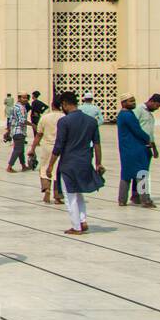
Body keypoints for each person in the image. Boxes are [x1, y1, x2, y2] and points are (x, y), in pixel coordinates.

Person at [45, 91, 105, 236]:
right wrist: (98, 163)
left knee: (70, 196)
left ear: (65, 104)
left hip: (69, 163)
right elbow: (97, 144)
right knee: (79, 194)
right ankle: (83, 221)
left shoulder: (64, 121)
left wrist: (50, 165)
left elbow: (59, 145)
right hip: (85, 161)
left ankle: (76, 226)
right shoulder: (91, 121)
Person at [116, 95, 155, 208]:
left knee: (126, 174)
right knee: (142, 173)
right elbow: (137, 131)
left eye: (134, 100)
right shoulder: (128, 115)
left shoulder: (123, 114)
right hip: (135, 148)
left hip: (126, 149)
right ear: (123, 103)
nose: (134, 103)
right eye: (131, 101)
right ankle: (145, 200)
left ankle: (122, 200)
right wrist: (148, 139)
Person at [33, 95, 65, 204]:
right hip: (59, 147)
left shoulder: (45, 117)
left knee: (44, 167)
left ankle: (47, 189)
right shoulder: (64, 117)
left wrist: (32, 148)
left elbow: (39, 134)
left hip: (46, 146)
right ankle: (57, 195)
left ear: (52, 105)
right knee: (57, 170)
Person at [5, 93, 30, 171]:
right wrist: (32, 125)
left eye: (26, 98)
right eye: (23, 98)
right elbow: (22, 121)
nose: (25, 99)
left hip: (15, 131)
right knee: (18, 150)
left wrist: (9, 130)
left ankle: (23, 166)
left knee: (21, 150)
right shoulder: (21, 108)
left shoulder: (15, 107)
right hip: (19, 131)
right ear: (19, 98)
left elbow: (10, 119)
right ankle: (9, 167)